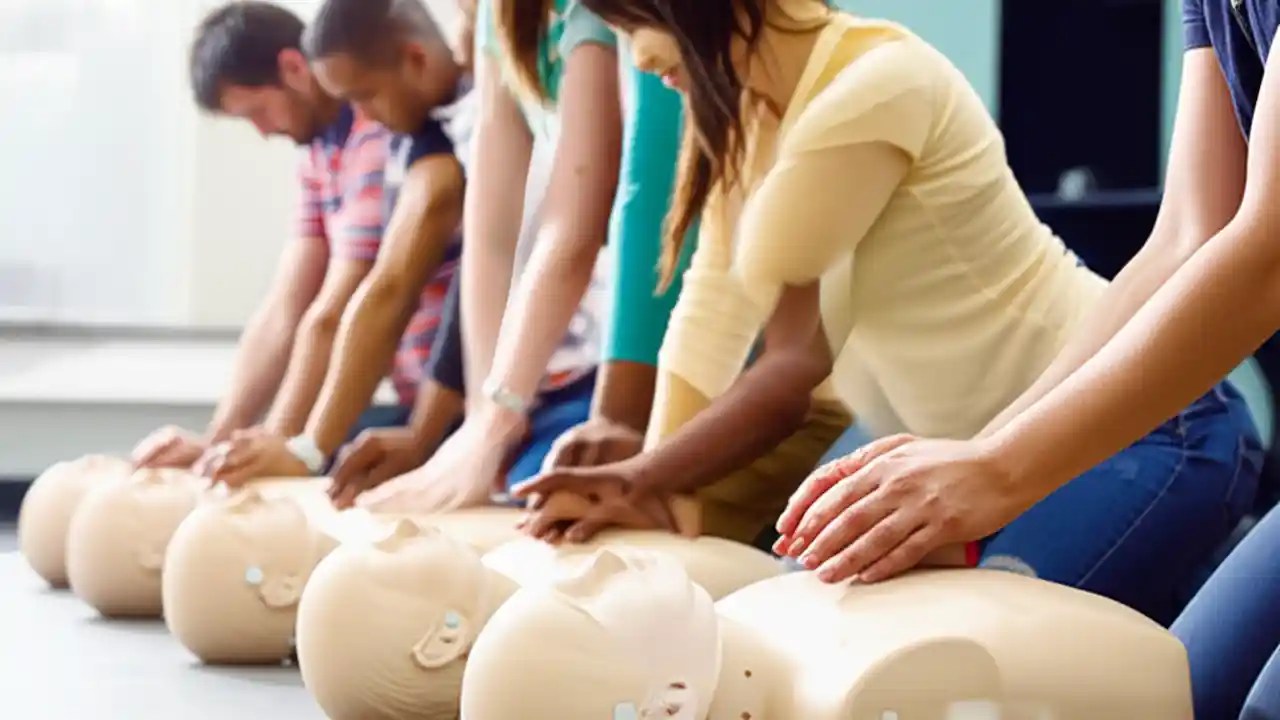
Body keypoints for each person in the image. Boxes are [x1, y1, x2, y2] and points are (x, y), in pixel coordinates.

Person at [510, 0, 1261, 623]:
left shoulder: (873, 87)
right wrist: (653, 490)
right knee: (792, 627)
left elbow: (796, 365)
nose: (635, 56)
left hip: (1149, 432)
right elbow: (710, 310)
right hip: (975, 444)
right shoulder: (755, 116)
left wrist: (645, 478)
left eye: (634, 19)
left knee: (933, 654)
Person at [129, 2, 429, 474]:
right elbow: (284, 308)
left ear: (293, 68)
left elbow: (334, 312)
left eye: (258, 111)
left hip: (446, 404)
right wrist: (219, 441)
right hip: (412, 398)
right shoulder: (317, 156)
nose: (263, 132)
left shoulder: (376, 136)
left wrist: (282, 443)